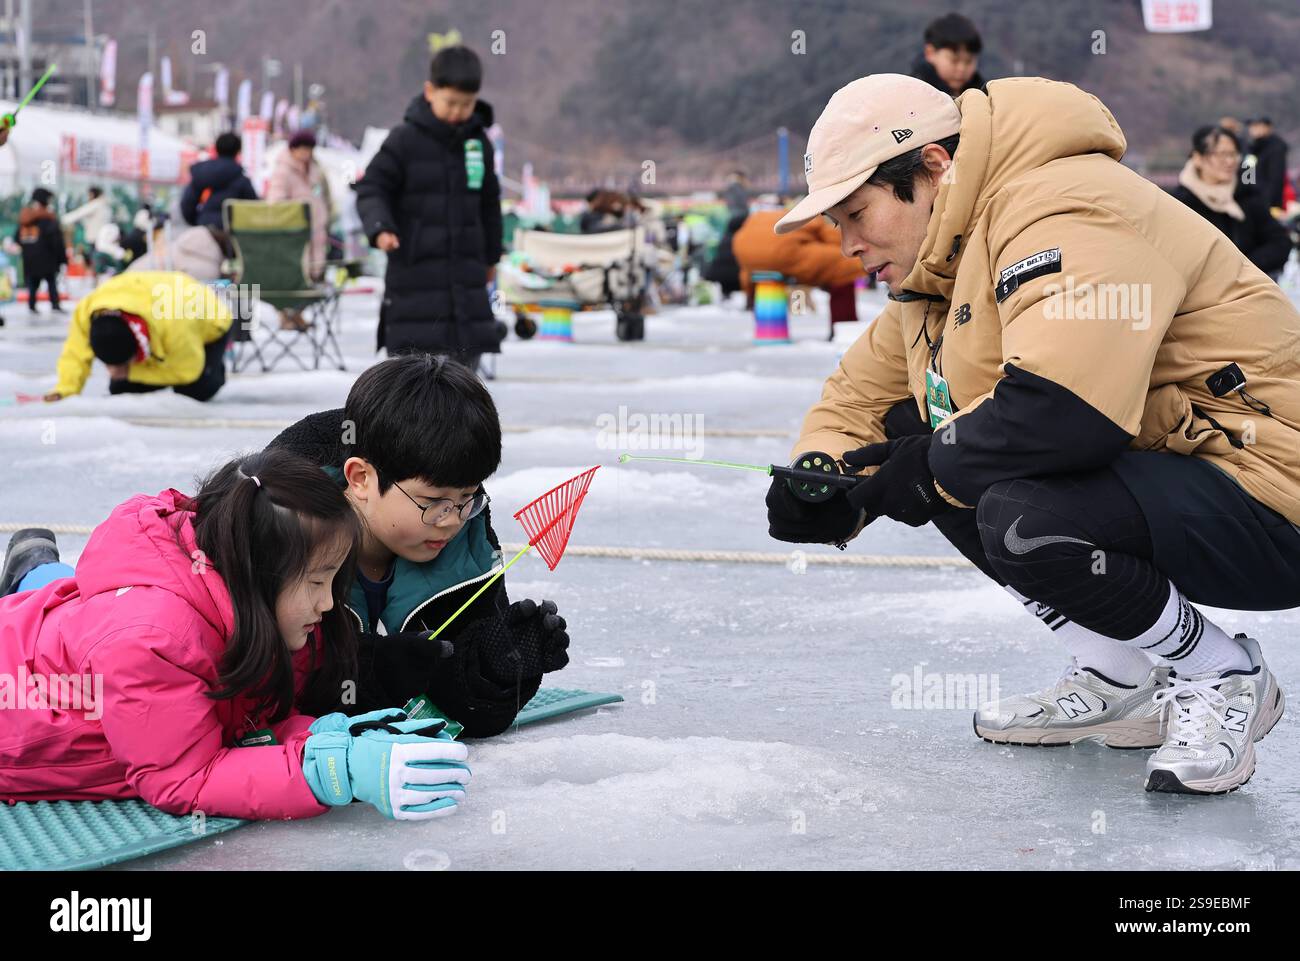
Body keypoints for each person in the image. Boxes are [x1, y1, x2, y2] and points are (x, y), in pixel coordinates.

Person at [767, 73, 1300, 796]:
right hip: (1183, 479)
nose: (848, 244)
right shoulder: (937, 269)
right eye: (835, 224)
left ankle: (1222, 669)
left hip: (1274, 490)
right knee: (925, 437)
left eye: (857, 213)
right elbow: (861, 397)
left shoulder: (1064, 201)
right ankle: (1120, 668)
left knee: (1000, 495)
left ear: (932, 167)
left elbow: (1067, 411)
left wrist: (920, 472)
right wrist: (824, 478)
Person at [0, 450, 471, 821]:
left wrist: (345, 734)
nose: (329, 604)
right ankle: (35, 569)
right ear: (259, 575)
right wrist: (335, 771)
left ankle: (35, 569)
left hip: (58, 632)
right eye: (316, 582)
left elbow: (243, 726)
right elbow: (185, 776)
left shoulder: (252, 605)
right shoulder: (153, 644)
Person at [267, 354, 570, 736]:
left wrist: (496, 669)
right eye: (433, 503)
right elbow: (264, 700)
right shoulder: (280, 537)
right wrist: (377, 671)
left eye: (467, 497)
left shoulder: (466, 539)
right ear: (360, 478)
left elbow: (466, 718)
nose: (453, 519)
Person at [355, 45, 503, 367]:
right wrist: (381, 228)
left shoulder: (479, 145)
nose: (457, 112)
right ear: (429, 91)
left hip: (466, 289)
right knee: (414, 398)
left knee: (464, 395)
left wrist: (492, 255)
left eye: (466, 105)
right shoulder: (404, 140)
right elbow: (372, 187)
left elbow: (490, 206)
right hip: (414, 288)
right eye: (450, 103)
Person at [45, 271, 233, 403]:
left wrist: (131, 373)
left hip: (208, 322)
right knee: (120, 389)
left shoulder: (176, 321)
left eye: (125, 363)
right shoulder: (89, 310)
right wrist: (65, 390)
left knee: (194, 391)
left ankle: (216, 372)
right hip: (151, 313)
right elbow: (75, 354)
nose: (113, 370)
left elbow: (188, 370)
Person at [1171, 125, 1291, 279]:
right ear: (1198, 158)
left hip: (1247, 290)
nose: (1229, 161)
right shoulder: (1180, 204)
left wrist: (1243, 269)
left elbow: (1280, 242)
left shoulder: (1247, 195)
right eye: (1221, 155)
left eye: (1233, 154)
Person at [731, 208, 864, 335]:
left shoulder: (759, 217)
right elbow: (835, 239)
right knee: (844, 267)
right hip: (783, 256)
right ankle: (844, 326)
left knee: (760, 272)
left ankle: (763, 325)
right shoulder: (810, 217)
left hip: (748, 258)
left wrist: (749, 291)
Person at [267, 130, 333, 280]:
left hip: (317, 231)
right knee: (296, 275)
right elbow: (275, 203)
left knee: (316, 271)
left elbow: (325, 196)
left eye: (309, 149)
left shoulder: (316, 170)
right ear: (292, 149)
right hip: (294, 233)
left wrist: (326, 216)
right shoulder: (282, 172)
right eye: (302, 148)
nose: (306, 153)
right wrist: (296, 213)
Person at [180, 132, 259, 229]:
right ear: (238, 151)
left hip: (205, 226)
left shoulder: (202, 173)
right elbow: (254, 208)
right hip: (232, 229)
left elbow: (187, 203)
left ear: (216, 148)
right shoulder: (241, 178)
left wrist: (197, 221)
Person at [910, 12, 986, 98]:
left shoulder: (984, 96)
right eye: (954, 60)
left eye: (969, 61)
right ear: (930, 53)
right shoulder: (913, 93)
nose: (961, 69)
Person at [15, 187, 66, 314]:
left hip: (29, 258)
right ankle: (55, 304)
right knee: (51, 282)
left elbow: (17, 238)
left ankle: (31, 305)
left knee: (32, 283)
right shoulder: (48, 219)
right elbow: (56, 242)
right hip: (47, 258)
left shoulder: (26, 218)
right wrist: (62, 258)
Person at [61, 186, 113, 274]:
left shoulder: (96, 204)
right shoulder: (106, 207)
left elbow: (79, 213)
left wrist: (62, 220)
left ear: (92, 194)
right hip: (105, 240)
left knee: (96, 266)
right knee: (100, 265)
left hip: (95, 240)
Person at [1245, 116, 1289, 211]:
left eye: (1257, 125)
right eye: (1251, 126)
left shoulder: (1276, 148)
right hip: (1251, 201)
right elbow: (1247, 174)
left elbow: (1276, 180)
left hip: (1267, 204)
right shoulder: (1252, 148)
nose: (1253, 129)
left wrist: (1269, 203)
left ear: (1268, 128)